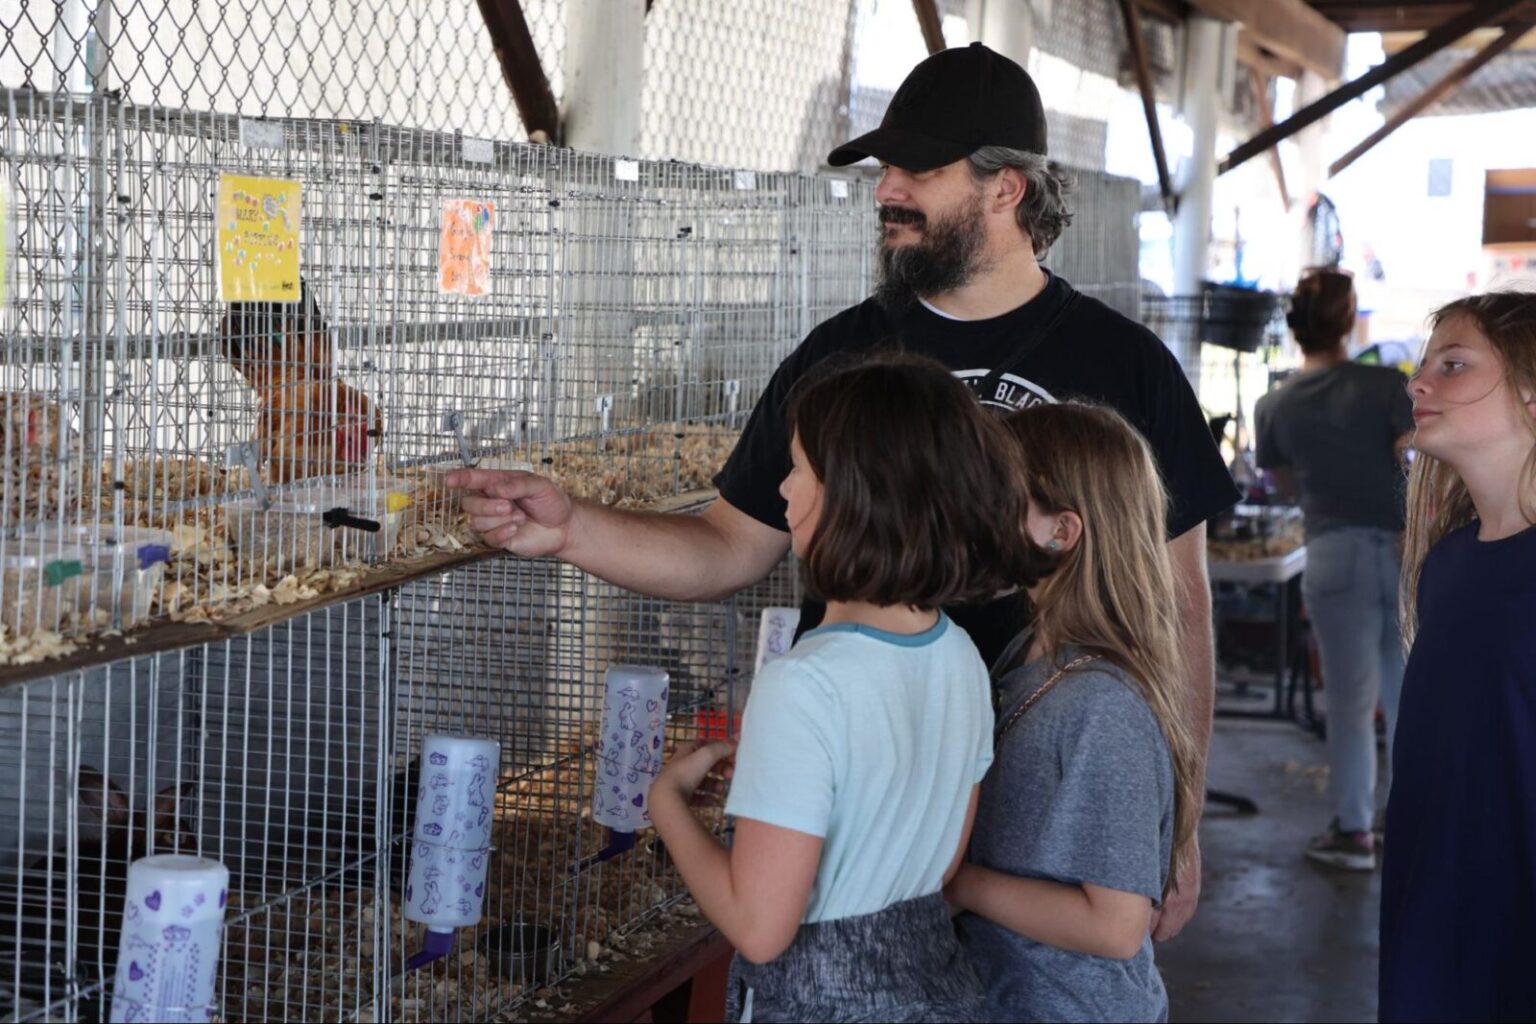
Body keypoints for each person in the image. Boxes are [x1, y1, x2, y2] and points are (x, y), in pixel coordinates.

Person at [451, 42, 1238, 938]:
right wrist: (571, 533)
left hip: (1062, 791)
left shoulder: (1124, 364)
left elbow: (1176, 601)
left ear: (1005, 188)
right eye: (884, 167)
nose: (885, 190)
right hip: (879, 811)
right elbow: (730, 545)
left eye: (916, 170)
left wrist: (1179, 808)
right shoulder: (841, 356)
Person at [648, 355, 1034, 1022]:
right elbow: (938, 870)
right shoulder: (960, 655)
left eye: (800, 467)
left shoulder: (804, 683)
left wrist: (668, 807)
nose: (785, 490)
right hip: (941, 990)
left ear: (855, 493)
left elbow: (761, 928)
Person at [946, 403, 1199, 1022]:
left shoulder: (1102, 703)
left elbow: (1114, 924)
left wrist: (957, 884)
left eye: (997, 496)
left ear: (1061, 532)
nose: (976, 515)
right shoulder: (1030, 654)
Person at [1380, 291, 1536, 1021]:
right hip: (1437, 922)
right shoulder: (1446, 564)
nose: (1420, 383)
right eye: (1424, 364)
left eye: (1455, 365)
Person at [1253, 268, 1414, 870]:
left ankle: (1353, 833)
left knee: (1348, 700)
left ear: (1295, 326)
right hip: (1402, 547)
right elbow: (1413, 459)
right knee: (1406, 694)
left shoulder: (1275, 404)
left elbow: (1285, 480)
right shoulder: (1386, 386)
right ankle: (1409, 820)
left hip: (1331, 549)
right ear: (1348, 322)